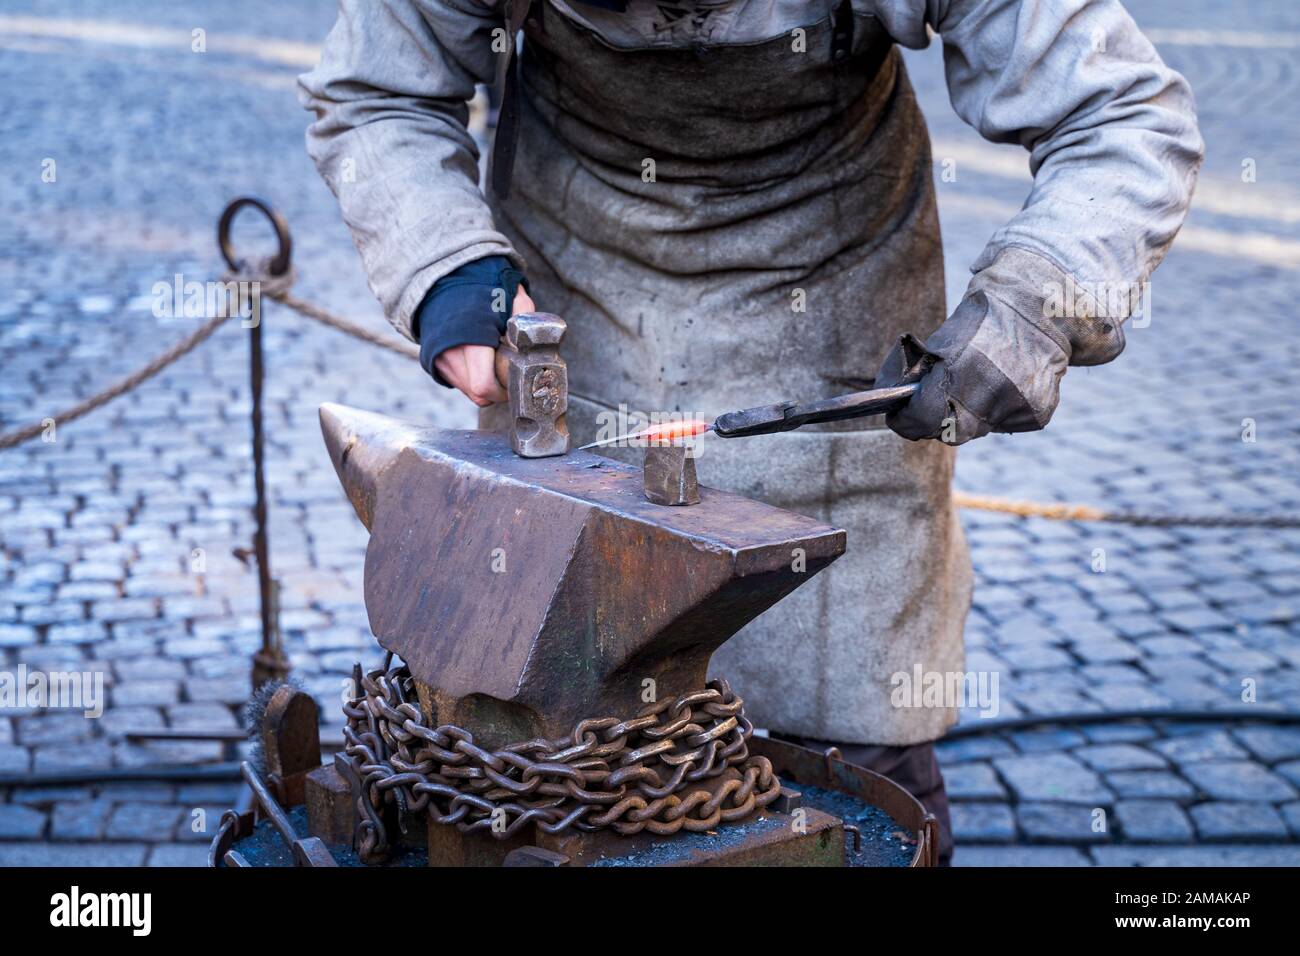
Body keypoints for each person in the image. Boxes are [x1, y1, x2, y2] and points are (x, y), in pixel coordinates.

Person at [299, 0, 1203, 864]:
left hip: (836, 301)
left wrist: (1037, 304)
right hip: (576, 303)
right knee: (561, 720)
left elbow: (1123, 114)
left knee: (854, 757)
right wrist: (450, 274)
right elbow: (377, 89)